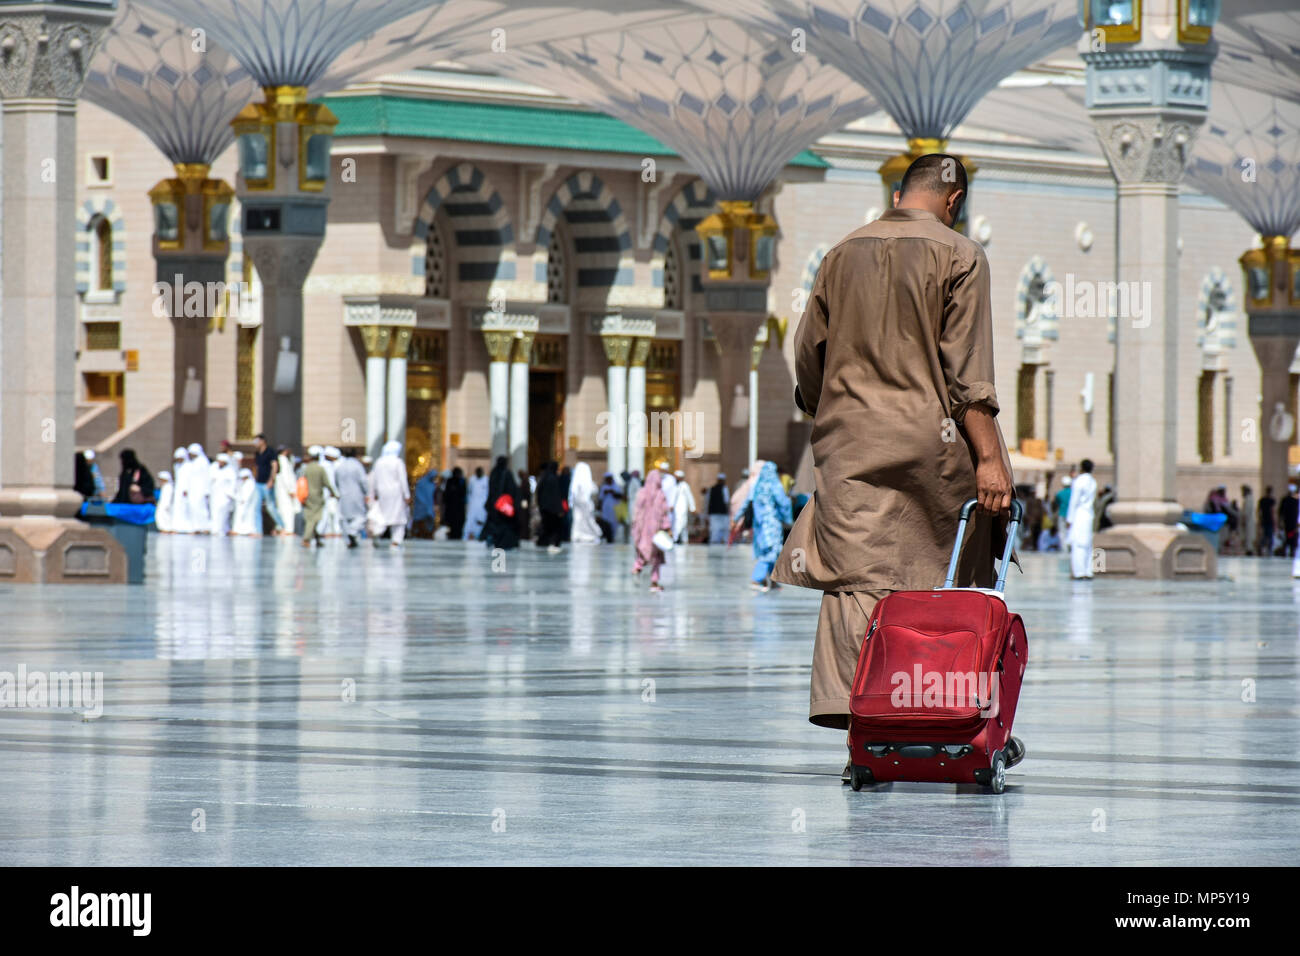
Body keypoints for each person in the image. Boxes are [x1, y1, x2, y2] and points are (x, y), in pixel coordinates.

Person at [769, 153, 1015, 769]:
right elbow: (969, 378)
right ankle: (934, 714)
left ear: (901, 193)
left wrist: (829, 406)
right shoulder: (960, 256)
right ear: (954, 201)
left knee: (857, 580)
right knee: (935, 583)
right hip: (931, 449)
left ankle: (866, 724)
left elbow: (807, 360)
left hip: (848, 444)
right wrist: (990, 459)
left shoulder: (841, 252)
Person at [750, 461, 793, 591]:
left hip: (759, 525)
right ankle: (756, 579)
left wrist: (736, 519)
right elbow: (783, 502)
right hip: (772, 524)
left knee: (768, 550)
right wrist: (788, 518)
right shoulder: (775, 485)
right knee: (771, 551)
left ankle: (771, 579)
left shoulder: (757, 486)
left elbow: (748, 502)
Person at [631, 468, 673, 592]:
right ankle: (654, 582)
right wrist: (667, 528)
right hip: (656, 530)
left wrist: (636, 527)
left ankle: (637, 567)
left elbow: (636, 511)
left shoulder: (641, 492)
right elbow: (664, 513)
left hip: (643, 529)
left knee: (643, 550)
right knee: (656, 556)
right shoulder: (660, 494)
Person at [367, 441, 411, 548]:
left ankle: (377, 532)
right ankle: (395, 541)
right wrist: (407, 495)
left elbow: (374, 479)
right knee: (399, 518)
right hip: (396, 494)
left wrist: (372, 493)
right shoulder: (398, 462)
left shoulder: (379, 462)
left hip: (382, 493)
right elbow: (402, 480)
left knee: (382, 515)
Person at [1066, 459, 1098, 580]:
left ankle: (1078, 572)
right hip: (1089, 514)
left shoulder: (1079, 481)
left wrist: (1069, 519)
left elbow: (1074, 501)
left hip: (1079, 514)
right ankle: (1088, 570)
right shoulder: (1093, 481)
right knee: (1088, 544)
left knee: (1078, 544)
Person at [300, 445, 337, 548]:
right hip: (317, 496)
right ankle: (306, 539)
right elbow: (327, 483)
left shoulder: (306, 468)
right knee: (313, 519)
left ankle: (317, 538)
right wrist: (333, 493)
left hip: (306, 496)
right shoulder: (320, 469)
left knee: (311, 518)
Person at [482, 456, 521, 550]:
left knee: (495, 524)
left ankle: (494, 540)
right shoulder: (507, 473)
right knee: (505, 525)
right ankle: (503, 542)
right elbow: (511, 489)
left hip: (495, 504)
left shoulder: (493, 472)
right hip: (504, 505)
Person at [253, 433, 287, 536]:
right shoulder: (258, 453)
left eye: (256, 441)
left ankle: (282, 526)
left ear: (262, 441)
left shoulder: (271, 452)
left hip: (267, 483)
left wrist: (271, 480)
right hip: (258, 483)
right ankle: (258, 531)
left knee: (271, 507)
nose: (255, 444)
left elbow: (274, 466)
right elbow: (257, 467)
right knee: (256, 507)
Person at [335, 449, 369, 548]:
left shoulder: (340, 466)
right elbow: (363, 481)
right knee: (360, 517)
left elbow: (336, 481)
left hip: (343, 495)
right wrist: (366, 492)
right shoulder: (357, 466)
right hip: (356, 495)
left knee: (345, 518)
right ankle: (352, 532)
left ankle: (349, 539)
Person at [536, 460, 566, 553]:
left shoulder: (544, 477)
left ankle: (544, 542)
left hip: (544, 508)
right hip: (553, 509)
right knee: (554, 527)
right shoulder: (553, 478)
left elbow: (539, 492)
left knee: (546, 526)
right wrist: (559, 509)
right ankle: (553, 543)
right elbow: (556, 495)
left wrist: (540, 504)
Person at [568, 461, 602, 544]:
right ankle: (584, 535)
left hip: (584, 506)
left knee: (582, 521)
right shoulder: (585, 484)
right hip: (583, 506)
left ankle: (584, 535)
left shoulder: (578, 484)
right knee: (582, 521)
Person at [184, 442, 211, 532]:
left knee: (201, 507)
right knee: (193, 507)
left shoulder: (203, 461)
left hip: (201, 489)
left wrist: (207, 490)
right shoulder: (193, 462)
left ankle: (205, 527)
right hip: (193, 489)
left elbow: (207, 476)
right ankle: (196, 527)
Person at [274, 445, 300, 537]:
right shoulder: (283, 460)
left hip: (281, 490)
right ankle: (288, 529)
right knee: (287, 510)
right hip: (285, 491)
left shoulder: (279, 460)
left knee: (281, 509)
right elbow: (286, 477)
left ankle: (281, 528)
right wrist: (290, 490)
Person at [209, 453, 236, 535]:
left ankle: (222, 530)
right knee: (215, 512)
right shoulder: (214, 469)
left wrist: (230, 494)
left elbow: (233, 483)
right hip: (215, 495)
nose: (220, 463)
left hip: (225, 496)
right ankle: (215, 530)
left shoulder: (230, 470)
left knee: (223, 514)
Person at [231, 468, 261, 536]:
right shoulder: (243, 483)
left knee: (249, 517)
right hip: (242, 503)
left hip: (248, 504)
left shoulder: (251, 483)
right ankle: (240, 530)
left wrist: (244, 501)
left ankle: (250, 531)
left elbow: (248, 495)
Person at [169, 447, 192, 533]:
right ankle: (177, 527)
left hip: (186, 491)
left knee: (185, 508)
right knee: (177, 508)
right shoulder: (177, 466)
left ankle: (186, 527)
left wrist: (187, 489)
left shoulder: (189, 466)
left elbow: (189, 479)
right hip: (178, 490)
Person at [442, 467, 468, 540]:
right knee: (452, 523)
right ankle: (452, 535)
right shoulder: (450, 481)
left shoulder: (462, 481)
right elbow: (446, 494)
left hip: (459, 507)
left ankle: (458, 535)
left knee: (459, 524)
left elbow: (463, 493)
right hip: (452, 507)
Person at [671, 469, 697, 544]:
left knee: (681, 523)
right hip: (675, 509)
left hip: (682, 508)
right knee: (680, 524)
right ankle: (684, 539)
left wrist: (692, 508)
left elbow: (690, 497)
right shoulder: (674, 485)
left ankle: (676, 539)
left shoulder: (685, 486)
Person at [411, 469, 439, 538]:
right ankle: (418, 534)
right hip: (420, 506)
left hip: (429, 505)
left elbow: (433, 495)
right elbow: (418, 494)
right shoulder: (421, 482)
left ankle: (427, 534)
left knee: (429, 521)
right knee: (419, 521)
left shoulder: (432, 484)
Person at [465, 466, 489, 540]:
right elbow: (469, 491)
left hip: (483, 504)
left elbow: (488, 492)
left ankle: (481, 536)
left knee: (481, 520)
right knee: (470, 520)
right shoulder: (472, 479)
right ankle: (467, 536)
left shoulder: (486, 480)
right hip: (473, 503)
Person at [597, 472, 621, 543]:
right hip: (606, 507)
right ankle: (607, 536)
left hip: (614, 507)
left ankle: (612, 536)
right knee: (606, 522)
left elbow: (620, 496)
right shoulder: (604, 487)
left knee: (613, 522)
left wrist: (612, 492)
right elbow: (600, 498)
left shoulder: (616, 486)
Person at [706, 473, 730, 544]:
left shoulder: (711, 489)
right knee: (721, 528)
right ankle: (719, 541)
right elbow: (727, 501)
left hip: (715, 512)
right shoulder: (724, 488)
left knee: (715, 528)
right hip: (721, 512)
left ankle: (716, 541)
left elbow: (708, 501)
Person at [1281, 484, 1299, 558]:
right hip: (1290, 522)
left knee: (1290, 535)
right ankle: (1289, 550)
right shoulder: (1293, 500)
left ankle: (1289, 550)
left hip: (1289, 521)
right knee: (1290, 535)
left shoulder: (1289, 500)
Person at [1258, 486, 1277, 556]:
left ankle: (1262, 548)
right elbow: (1272, 512)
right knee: (1269, 536)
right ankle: (1269, 549)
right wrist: (1275, 523)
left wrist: (1260, 520)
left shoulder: (1262, 500)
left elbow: (1259, 511)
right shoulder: (1271, 500)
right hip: (1269, 521)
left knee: (1265, 535)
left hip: (1264, 520)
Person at [1241, 485, 1256, 556]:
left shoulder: (1248, 499)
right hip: (1249, 521)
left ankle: (1249, 550)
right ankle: (1248, 549)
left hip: (1248, 521)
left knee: (1248, 536)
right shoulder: (1250, 498)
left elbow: (1246, 511)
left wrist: (1244, 520)